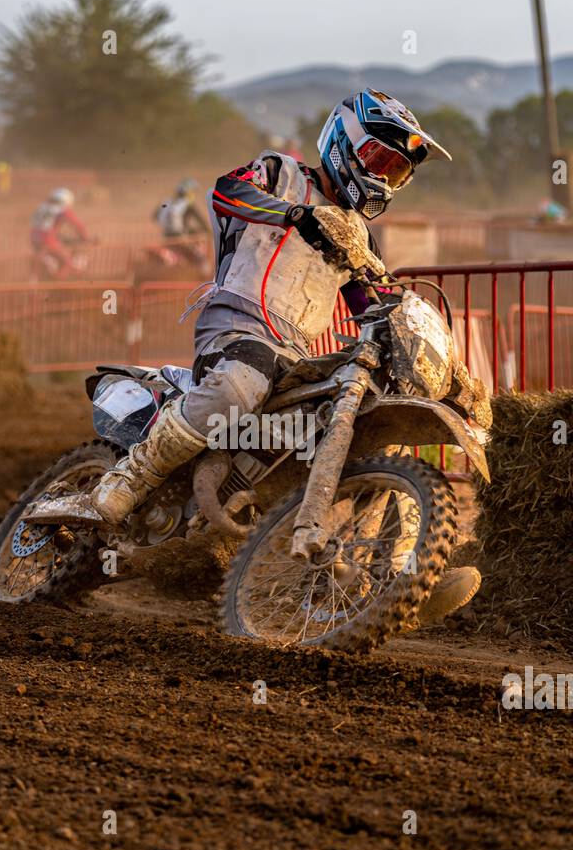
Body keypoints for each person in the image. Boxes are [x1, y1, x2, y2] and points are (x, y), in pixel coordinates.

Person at [90, 90, 482, 621]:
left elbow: (373, 304)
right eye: (379, 161)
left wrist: (448, 370)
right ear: (344, 143)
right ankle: (128, 477)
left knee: (366, 435)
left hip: (293, 355)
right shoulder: (280, 173)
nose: (383, 179)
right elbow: (226, 192)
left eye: (396, 172)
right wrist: (296, 214)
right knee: (239, 386)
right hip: (237, 323)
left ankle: (397, 578)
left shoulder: (359, 234)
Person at [30, 187, 91, 280]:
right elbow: (78, 225)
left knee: (52, 257)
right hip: (48, 240)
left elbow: (42, 225)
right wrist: (85, 237)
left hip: (34, 239)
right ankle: (57, 283)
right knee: (67, 263)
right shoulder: (62, 209)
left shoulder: (42, 207)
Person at [151, 178, 209, 270]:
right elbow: (201, 221)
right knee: (198, 257)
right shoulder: (187, 204)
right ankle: (204, 273)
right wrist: (208, 230)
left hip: (166, 236)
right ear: (189, 193)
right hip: (179, 237)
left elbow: (154, 217)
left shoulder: (166, 202)